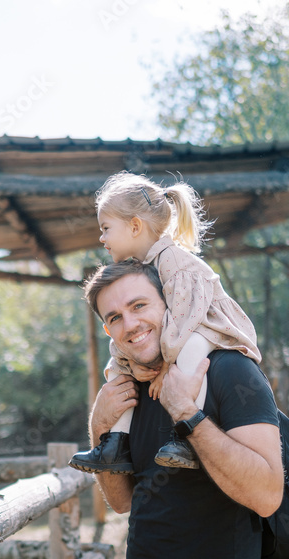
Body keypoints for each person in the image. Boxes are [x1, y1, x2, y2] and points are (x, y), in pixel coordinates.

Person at [80, 259, 283, 559]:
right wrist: (99, 427)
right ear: (107, 330)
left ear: (169, 302)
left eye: (140, 306)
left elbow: (267, 494)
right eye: (115, 317)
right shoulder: (129, 388)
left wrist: (187, 415)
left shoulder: (229, 370)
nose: (130, 324)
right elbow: (123, 502)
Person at [69, 172, 261, 473]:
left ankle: (185, 434)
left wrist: (168, 367)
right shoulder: (143, 267)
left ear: (134, 226)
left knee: (190, 353)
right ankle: (115, 443)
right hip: (184, 325)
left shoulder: (171, 259)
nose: (101, 238)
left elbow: (186, 319)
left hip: (209, 324)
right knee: (117, 361)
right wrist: (132, 365)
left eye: (106, 228)